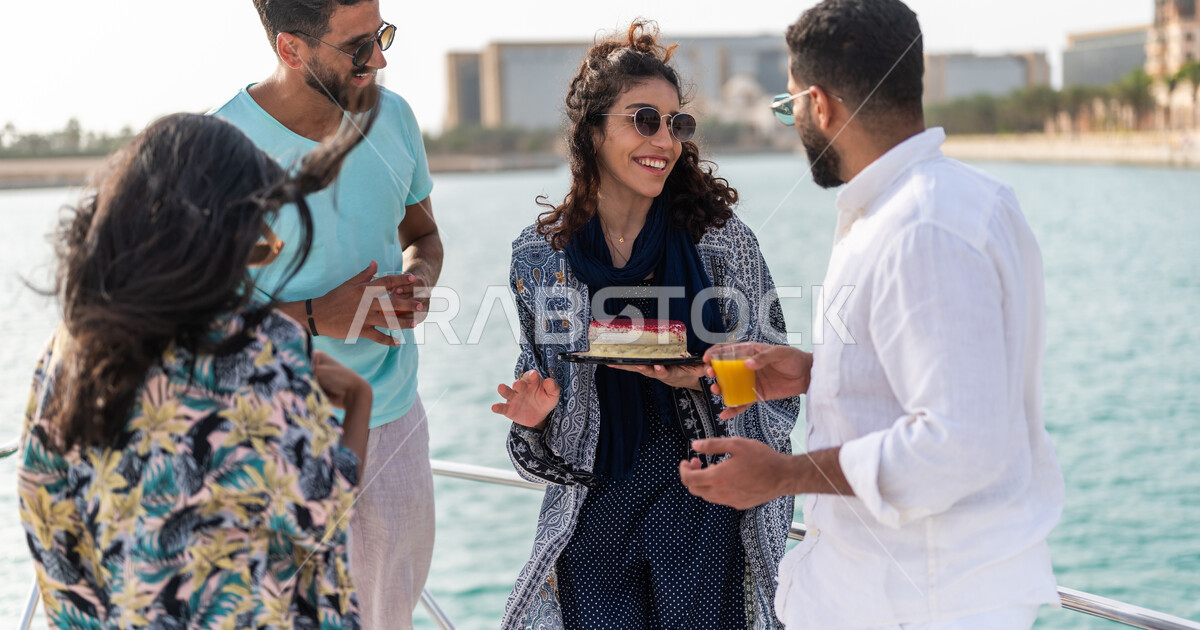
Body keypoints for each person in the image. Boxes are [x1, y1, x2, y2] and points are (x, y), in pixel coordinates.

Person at [682, 1, 1067, 629]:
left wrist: (781, 476)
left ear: (821, 104)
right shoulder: (958, 203)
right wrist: (817, 372)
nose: (794, 123)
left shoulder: (920, 227)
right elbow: (943, 381)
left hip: (921, 603)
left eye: (790, 108)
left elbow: (957, 445)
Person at [490, 21, 801, 630]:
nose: (665, 138)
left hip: (704, 501)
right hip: (594, 511)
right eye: (643, 119)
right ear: (593, 132)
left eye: (676, 123)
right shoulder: (538, 257)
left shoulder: (722, 244)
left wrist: (703, 379)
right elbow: (542, 425)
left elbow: (780, 387)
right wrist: (532, 416)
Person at [18, 112, 372, 628]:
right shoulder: (261, 348)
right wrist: (358, 400)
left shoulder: (69, 352)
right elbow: (320, 513)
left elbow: (46, 513)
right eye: (255, 245)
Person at [210, 2, 443, 627]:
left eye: (382, 36)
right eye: (358, 46)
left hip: (395, 428)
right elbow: (197, 330)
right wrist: (316, 315)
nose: (381, 59)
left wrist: (419, 280)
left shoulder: (394, 117)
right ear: (291, 50)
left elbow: (423, 232)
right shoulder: (217, 151)